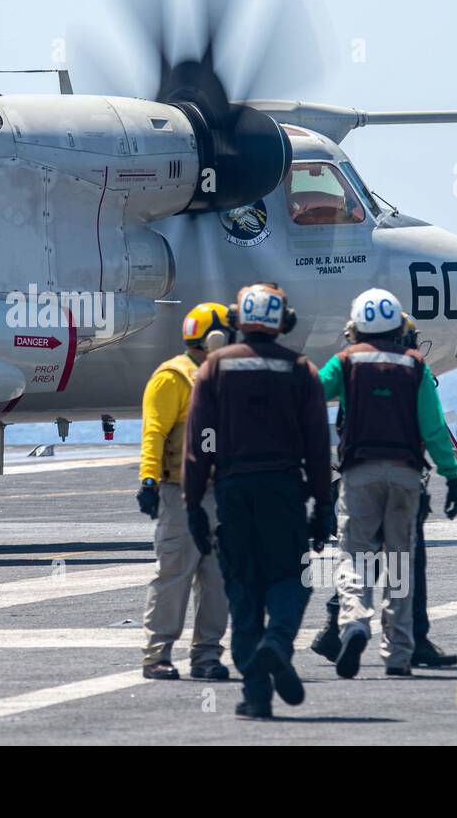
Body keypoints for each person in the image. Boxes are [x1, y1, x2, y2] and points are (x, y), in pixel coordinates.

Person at [182, 283, 335, 718]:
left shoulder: (214, 368)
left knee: (243, 590)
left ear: (237, 320)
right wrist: (324, 505)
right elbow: (317, 445)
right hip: (285, 491)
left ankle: (255, 695)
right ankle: (279, 642)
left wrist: (194, 503)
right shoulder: (300, 370)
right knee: (291, 578)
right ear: (282, 321)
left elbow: (201, 443)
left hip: (232, 492)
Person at [317, 288, 457, 679]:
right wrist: (451, 476)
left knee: (356, 557)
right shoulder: (415, 366)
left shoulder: (345, 361)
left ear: (355, 326)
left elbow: (310, 394)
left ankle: (355, 624)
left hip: (359, 474)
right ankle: (398, 653)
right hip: (405, 475)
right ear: (400, 326)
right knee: (401, 562)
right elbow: (433, 428)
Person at [137, 302, 232, 681]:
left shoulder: (226, 377)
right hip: (181, 494)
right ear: (216, 337)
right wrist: (148, 480)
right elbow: (154, 432)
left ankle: (207, 655)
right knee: (174, 574)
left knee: (218, 578)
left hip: (222, 494)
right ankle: (157, 654)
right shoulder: (172, 377)